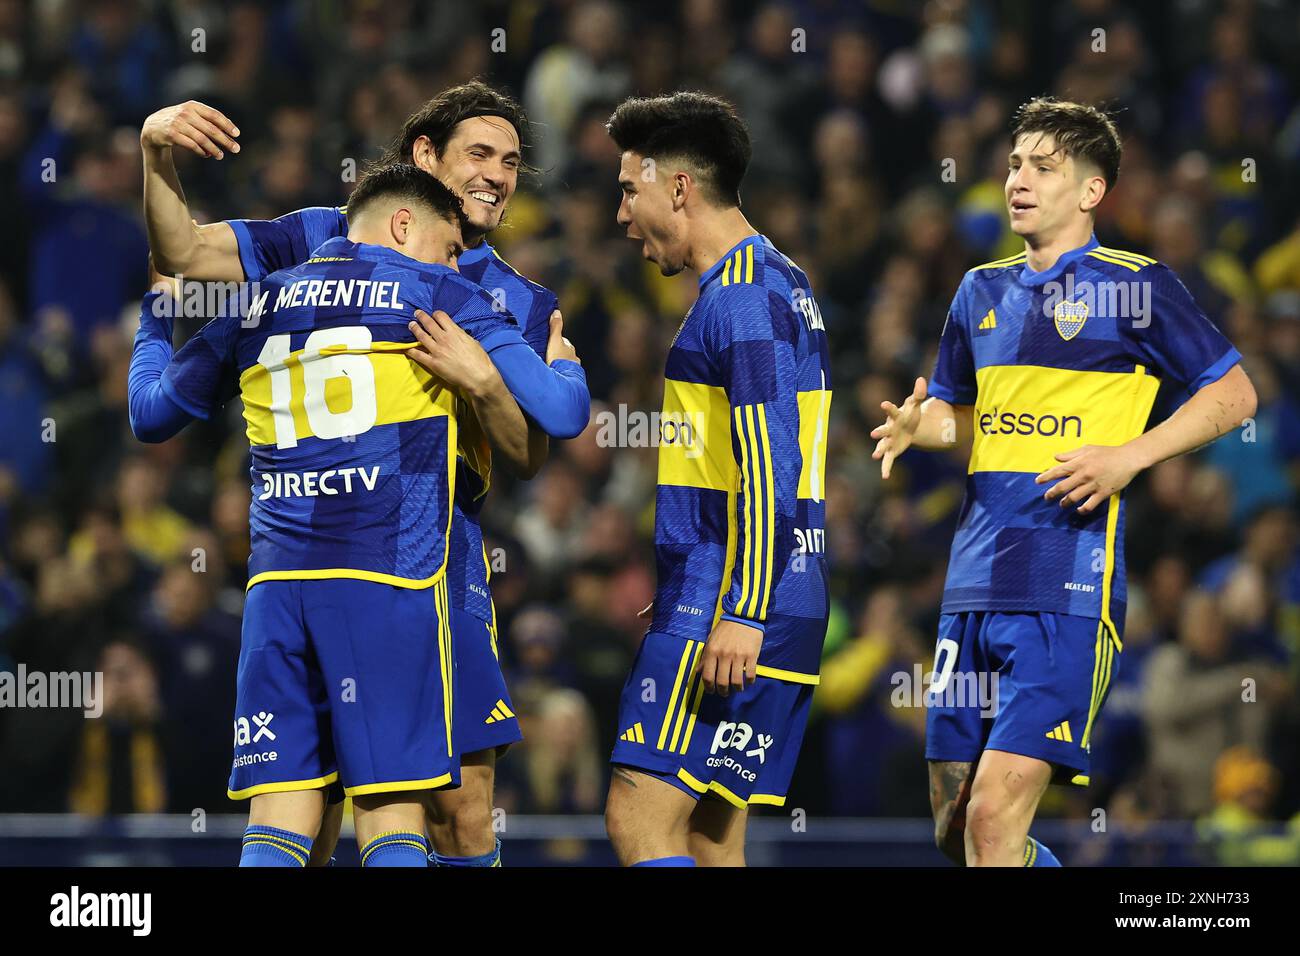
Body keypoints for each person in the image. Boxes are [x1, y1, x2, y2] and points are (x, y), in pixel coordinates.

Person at [138, 81, 570, 868]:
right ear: (424, 158)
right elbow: (184, 254)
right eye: (480, 153)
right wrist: (155, 151)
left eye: (511, 161)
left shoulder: (523, 298)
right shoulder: (321, 233)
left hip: (440, 549)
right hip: (353, 546)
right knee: (339, 801)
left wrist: (481, 383)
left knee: (463, 813)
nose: (498, 175)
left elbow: (528, 453)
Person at [870, 97, 1258, 867]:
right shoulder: (978, 290)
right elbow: (968, 417)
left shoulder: (1136, 287)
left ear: (1090, 192)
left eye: (1043, 167)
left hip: (1063, 582)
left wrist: (1131, 456)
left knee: (992, 815)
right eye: (1015, 162)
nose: (1018, 179)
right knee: (958, 830)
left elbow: (1235, 395)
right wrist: (927, 428)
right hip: (973, 580)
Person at [601, 92, 832, 866]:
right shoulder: (780, 279)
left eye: (629, 189)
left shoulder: (740, 297)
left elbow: (771, 469)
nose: (621, 213)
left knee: (638, 821)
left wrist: (735, 607)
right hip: (762, 596)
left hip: (734, 606)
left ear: (678, 188)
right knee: (708, 841)